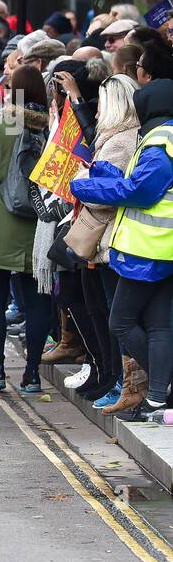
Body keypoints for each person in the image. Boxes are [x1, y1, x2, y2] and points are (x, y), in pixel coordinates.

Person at [71, 78, 173, 422]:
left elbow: (141, 190)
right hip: (162, 249)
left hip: (148, 251)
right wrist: (102, 171)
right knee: (159, 326)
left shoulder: (160, 139)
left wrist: (88, 186)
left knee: (121, 322)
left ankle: (165, 383)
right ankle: (158, 397)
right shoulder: (164, 136)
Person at [0, 66, 54, 394]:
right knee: (36, 303)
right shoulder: (53, 130)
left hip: (0, 228)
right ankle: (32, 374)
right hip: (40, 228)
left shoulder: (1, 126)